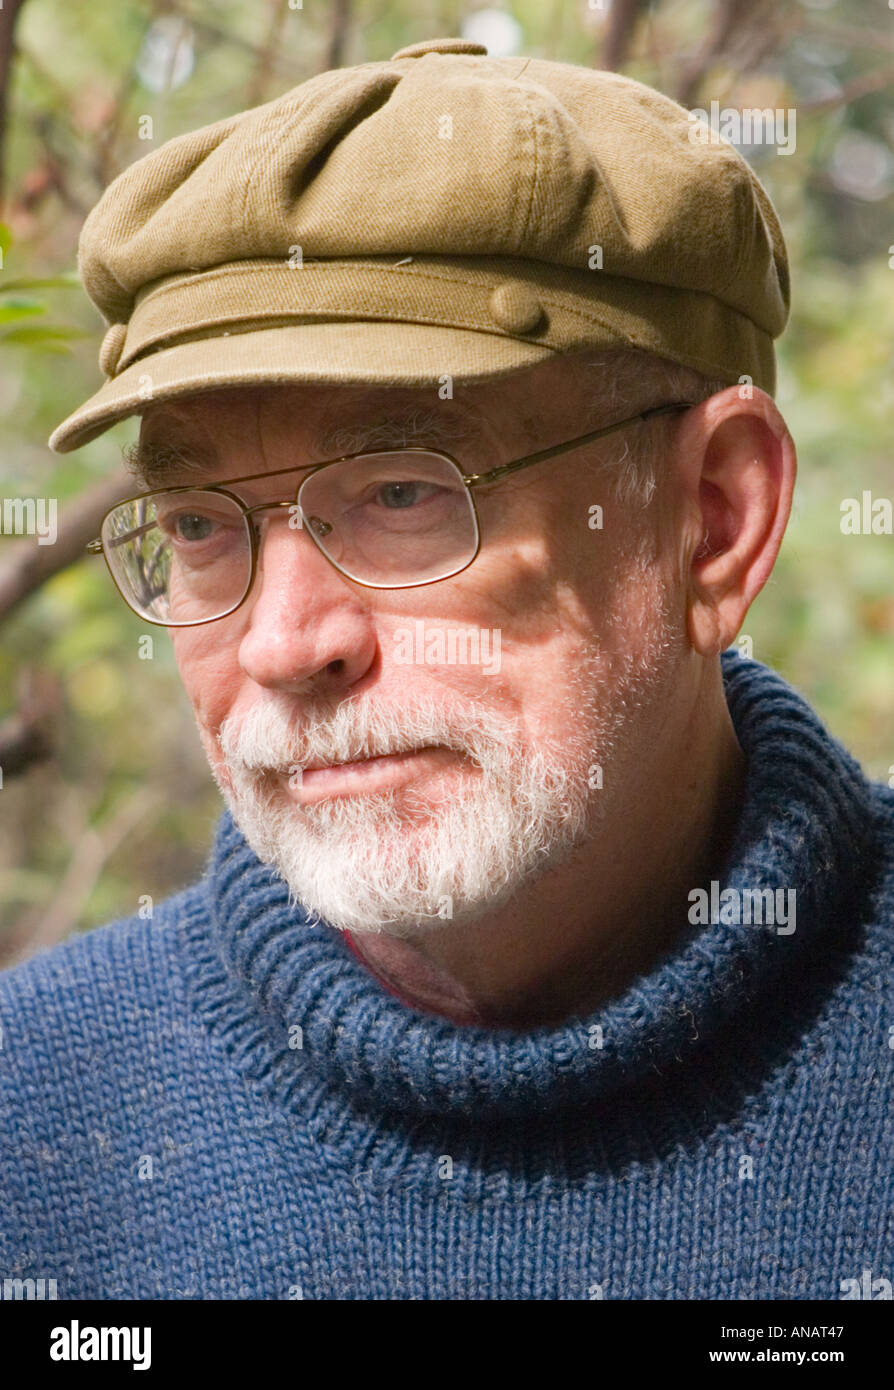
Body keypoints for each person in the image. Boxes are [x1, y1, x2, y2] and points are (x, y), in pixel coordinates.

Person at [1, 37, 891, 1301]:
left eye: (405, 493)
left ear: (713, 518)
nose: (283, 642)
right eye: (200, 523)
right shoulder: (33, 1118)